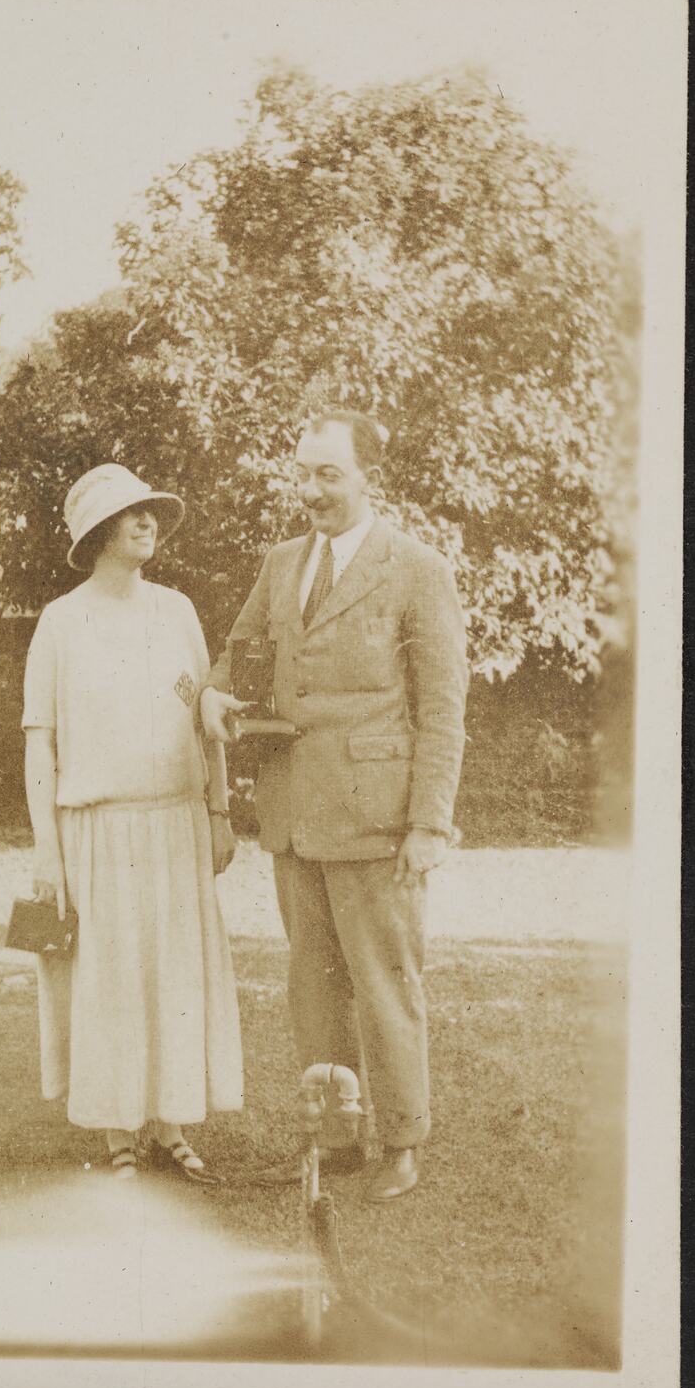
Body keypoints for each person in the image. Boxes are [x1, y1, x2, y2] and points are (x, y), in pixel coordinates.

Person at [201, 411, 467, 1201]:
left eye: (329, 474)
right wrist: (215, 695)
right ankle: (337, 1140)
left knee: (385, 984)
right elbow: (238, 655)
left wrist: (429, 823)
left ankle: (402, 1142)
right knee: (313, 986)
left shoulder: (417, 569)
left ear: (367, 477)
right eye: (303, 473)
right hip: (294, 816)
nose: (310, 491)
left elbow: (443, 709)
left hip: (377, 820)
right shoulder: (282, 562)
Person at [23, 462, 244, 1184]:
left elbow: (207, 720)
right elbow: (39, 742)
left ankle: (171, 1125)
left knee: (174, 978)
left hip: (177, 824)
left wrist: (218, 810)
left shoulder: (177, 611)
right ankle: (119, 1131)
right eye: (130, 513)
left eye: (151, 510)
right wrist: (48, 852)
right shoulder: (61, 621)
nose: (147, 521)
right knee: (111, 981)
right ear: (98, 533)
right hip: (99, 831)